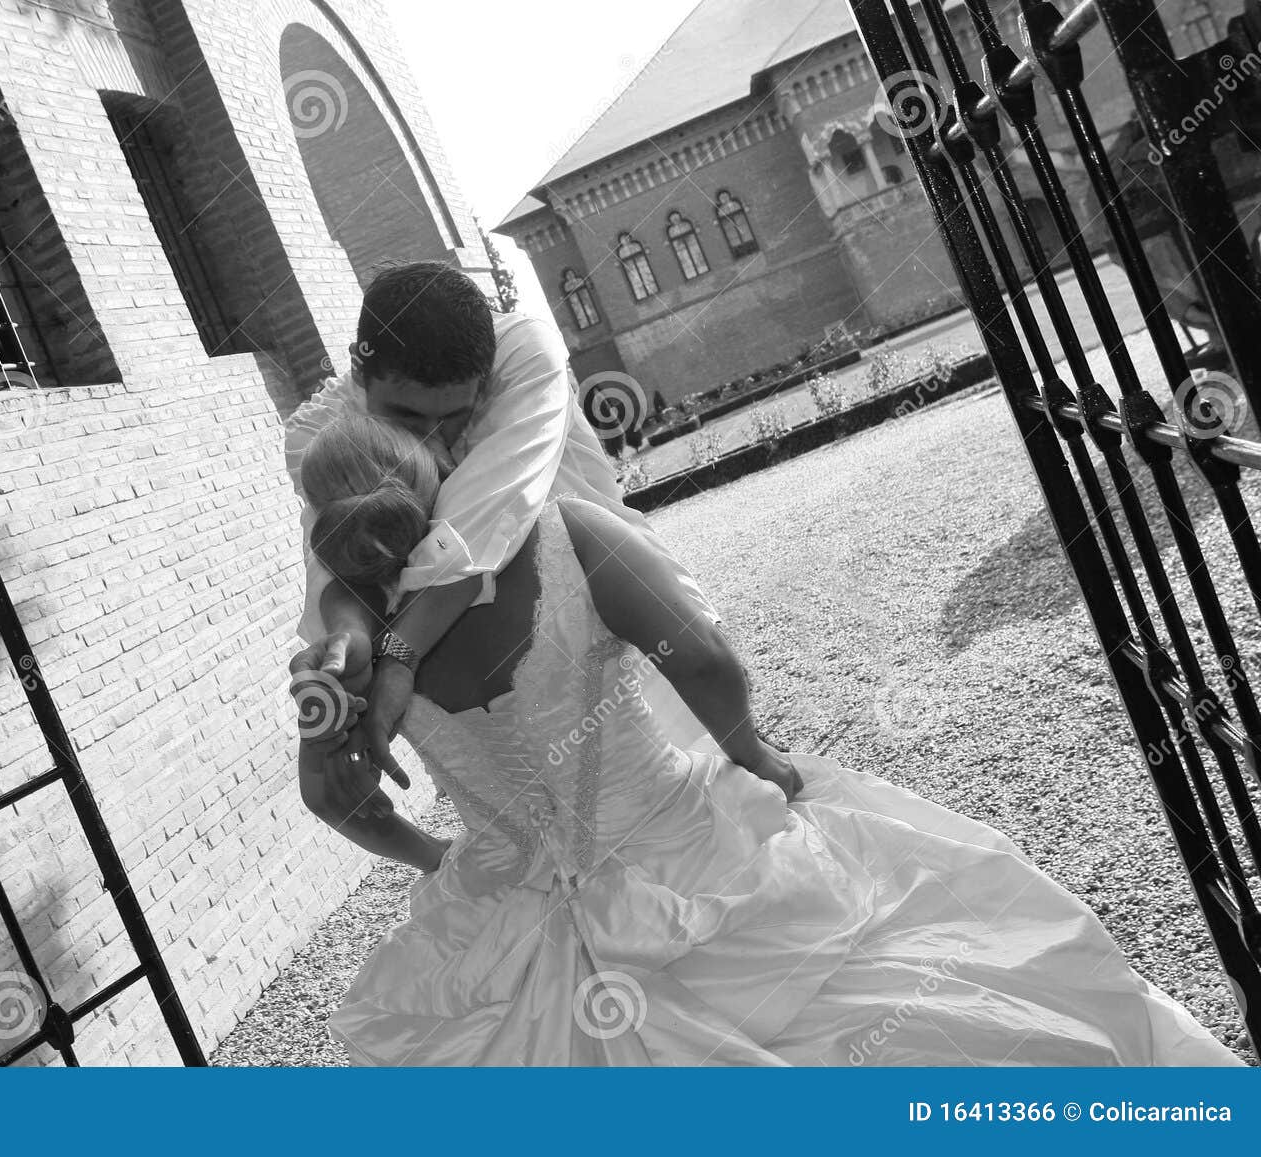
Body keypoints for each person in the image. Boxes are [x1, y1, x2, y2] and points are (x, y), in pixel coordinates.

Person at [296, 414, 1242, 1066]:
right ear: (435, 464)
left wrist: (438, 859)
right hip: (681, 848)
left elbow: (334, 796)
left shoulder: (342, 645)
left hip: (501, 919)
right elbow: (703, 661)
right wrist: (754, 755)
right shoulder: (559, 536)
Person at [285, 262, 713, 823]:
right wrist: (349, 634)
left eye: (456, 418)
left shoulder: (525, 353)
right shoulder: (316, 436)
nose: (436, 444)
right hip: (461, 656)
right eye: (406, 417)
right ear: (361, 371)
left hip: (593, 603)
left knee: (681, 781)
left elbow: (482, 518)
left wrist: (397, 658)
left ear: (483, 381)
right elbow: (342, 562)